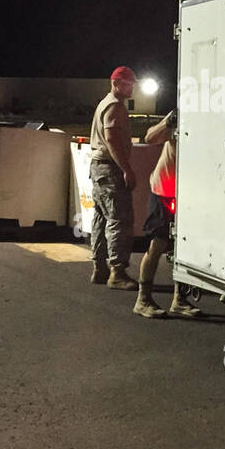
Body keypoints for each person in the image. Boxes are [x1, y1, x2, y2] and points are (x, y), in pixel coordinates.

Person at [134, 109, 202, 319]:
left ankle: (179, 300)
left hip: (187, 193)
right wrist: (169, 123)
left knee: (185, 247)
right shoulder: (179, 115)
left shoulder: (207, 122)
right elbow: (149, 137)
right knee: (158, 244)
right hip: (164, 189)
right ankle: (142, 300)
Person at [89, 66, 139, 289]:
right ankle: (117, 272)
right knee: (120, 219)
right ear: (115, 83)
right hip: (110, 168)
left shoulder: (103, 103)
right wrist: (126, 168)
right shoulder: (115, 107)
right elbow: (112, 138)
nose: (131, 89)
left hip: (98, 167)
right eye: (127, 84)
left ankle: (99, 267)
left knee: (101, 218)